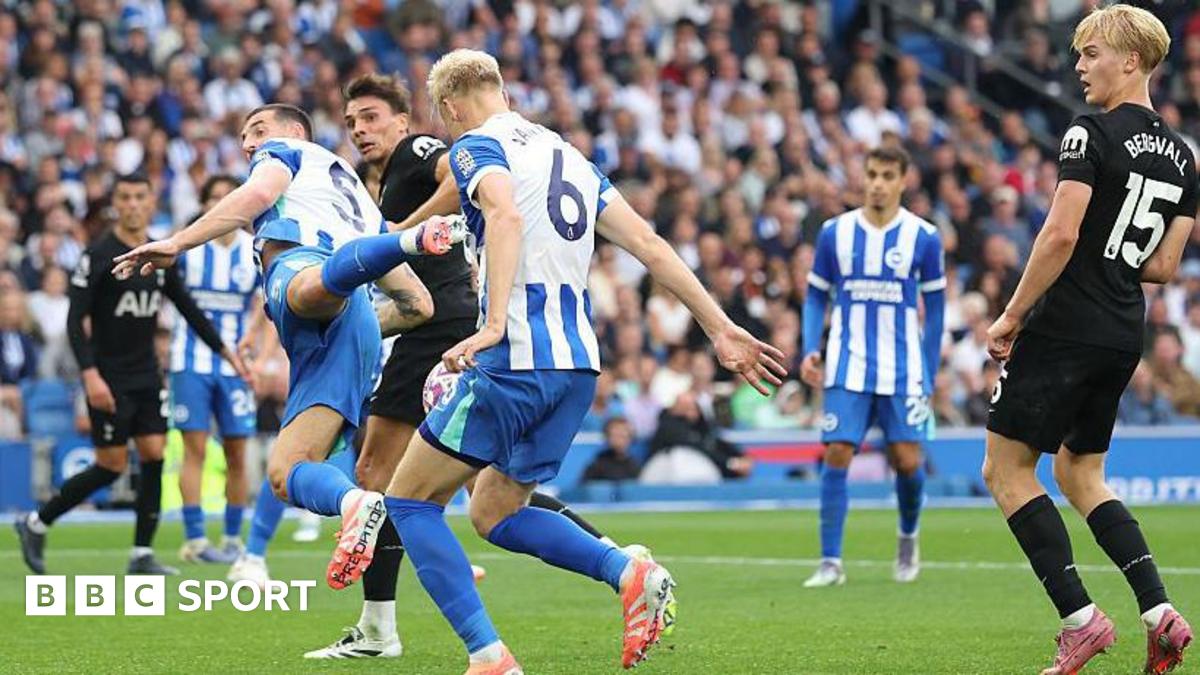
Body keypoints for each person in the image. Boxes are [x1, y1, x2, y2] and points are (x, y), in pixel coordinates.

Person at [379, 49, 785, 675]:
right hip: (576, 368)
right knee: (493, 511)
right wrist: (721, 327)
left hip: (515, 356)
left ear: (451, 107)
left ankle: (489, 657)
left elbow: (504, 214)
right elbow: (648, 243)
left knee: (408, 502)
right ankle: (628, 570)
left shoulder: (474, 146)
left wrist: (490, 325)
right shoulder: (568, 156)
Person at [303, 72, 640, 660]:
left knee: (389, 479)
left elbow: (473, 188)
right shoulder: (378, 182)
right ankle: (616, 560)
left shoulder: (423, 151)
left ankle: (395, 631)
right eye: (352, 121)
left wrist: (404, 231)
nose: (360, 129)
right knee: (482, 496)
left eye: (372, 117)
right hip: (473, 330)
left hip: (448, 327)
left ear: (409, 120)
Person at [110, 103, 464, 591]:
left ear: (294, 131)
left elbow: (258, 194)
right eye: (244, 138)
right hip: (349, 323)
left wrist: (178, 241)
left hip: (309, 277)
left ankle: (402, 245)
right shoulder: (359, 197)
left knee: (305, 289)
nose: (250, 143)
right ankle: (356, 504)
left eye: (257, 130)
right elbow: (418, 304)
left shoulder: (288, 152)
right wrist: (358, 324)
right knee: (285, 472)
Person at [982, 7, 1195, 674]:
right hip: (1122, 329)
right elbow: (1162, 266)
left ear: (1130, 60)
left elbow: (1061, 233)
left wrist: (1012, 314)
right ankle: (1160, 612)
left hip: (1067, 323)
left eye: (1091, 53)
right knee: (1081, 471)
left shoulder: (1089, 132)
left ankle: (1081, 618)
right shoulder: (1184, 156)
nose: (1079, 67)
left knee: (1006, 469)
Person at [13, 173, 248, 575]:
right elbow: (75, 320)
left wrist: (228, 353)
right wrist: (90, 376)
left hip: (146, 375)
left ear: (152, 201)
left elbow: (188, 308)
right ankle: (36, 521)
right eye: (126, 197)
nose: (134, 204)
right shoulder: (99, 254)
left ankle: (141, 553)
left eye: (141, 196)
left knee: (155, 455)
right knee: (111, 464)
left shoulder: (157, 254)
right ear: (115, 204)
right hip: (108, 376)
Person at [799, 146, 945, 588]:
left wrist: (930, 368)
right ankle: (830, 562)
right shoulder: (834, 233)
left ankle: (907, 536)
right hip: (847, 363)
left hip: (903, 368)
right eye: (871, 174)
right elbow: (815, 295)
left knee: (906, 461)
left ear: (904, 181)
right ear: (862, 178)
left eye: (887, 175)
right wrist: (810, 347)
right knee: (837, 451)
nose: (878, 183)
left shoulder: (923, 237)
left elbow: (936, 309)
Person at [171, 175, 265, 564]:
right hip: (188, 360)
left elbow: (264, 303)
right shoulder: (188, 247)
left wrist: (257, 350)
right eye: (214, 197)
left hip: (236, 367)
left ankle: (231, 539)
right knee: (193, 450)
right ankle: (195, 539)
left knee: (237, 453)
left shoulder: (253, 251)